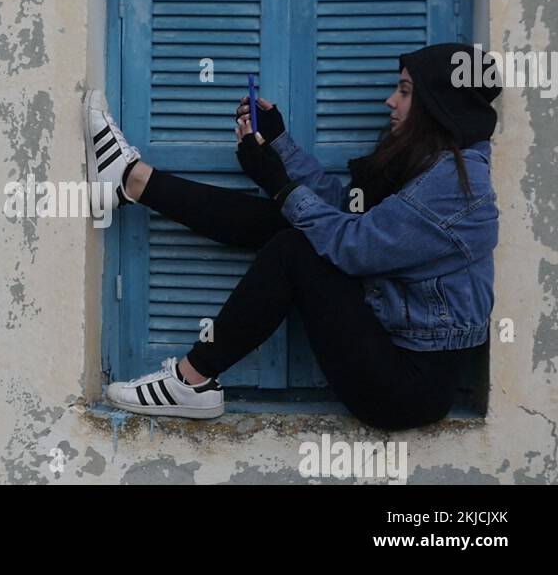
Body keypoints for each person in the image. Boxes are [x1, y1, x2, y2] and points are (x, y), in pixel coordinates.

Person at [83, 43, 500, 430]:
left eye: (406, 91)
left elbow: (354, 246)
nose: (391, 100)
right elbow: (343, 208)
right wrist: (280, 145)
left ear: (439, 103)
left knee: (295, 247)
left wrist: (279, 183)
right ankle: (132, 181)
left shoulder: (458, 183)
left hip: (407, 389)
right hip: (390, 353)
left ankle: (192, 380)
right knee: (289, 224)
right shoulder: (428, 163)